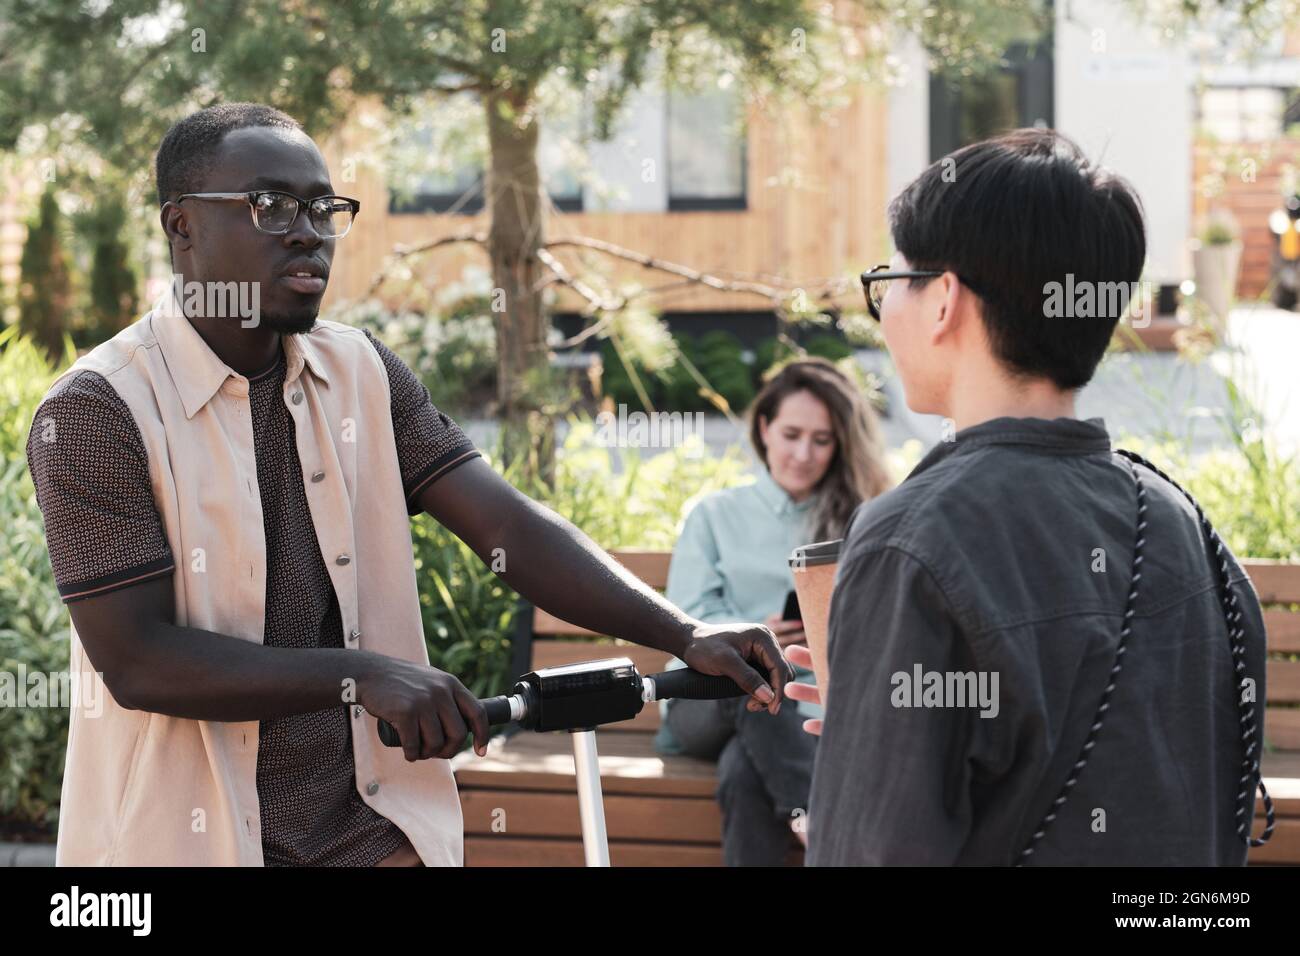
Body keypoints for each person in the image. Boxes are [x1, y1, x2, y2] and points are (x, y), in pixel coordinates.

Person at [24, 102, 792, 867]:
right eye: (270, 205)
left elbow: (510, 531)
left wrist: (686, 634)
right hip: (191, 842)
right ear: (181, 224)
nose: (307, 230)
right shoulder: (98, 412)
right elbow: (137, 660)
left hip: (376, 833)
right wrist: (360, 676)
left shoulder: (362, 371)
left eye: (324, 207)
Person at [788, 128, 1271, 865]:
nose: (882, 311)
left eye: (890, 282)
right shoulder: (1191, 533)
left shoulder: (908, 542)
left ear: (944, 298)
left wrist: (846, 811)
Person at [654, 358, 891, 865]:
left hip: (798, 721)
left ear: (840, 445)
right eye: (791, 434)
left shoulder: (859, 520)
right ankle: (822, 827)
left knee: (743, 771)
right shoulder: (714, 515)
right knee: (751, 672)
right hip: (706, 701)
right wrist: (756, 628)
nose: (803, 453)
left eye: (822, 440)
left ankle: (806, 819)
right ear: (764, 429)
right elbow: (687, 619)